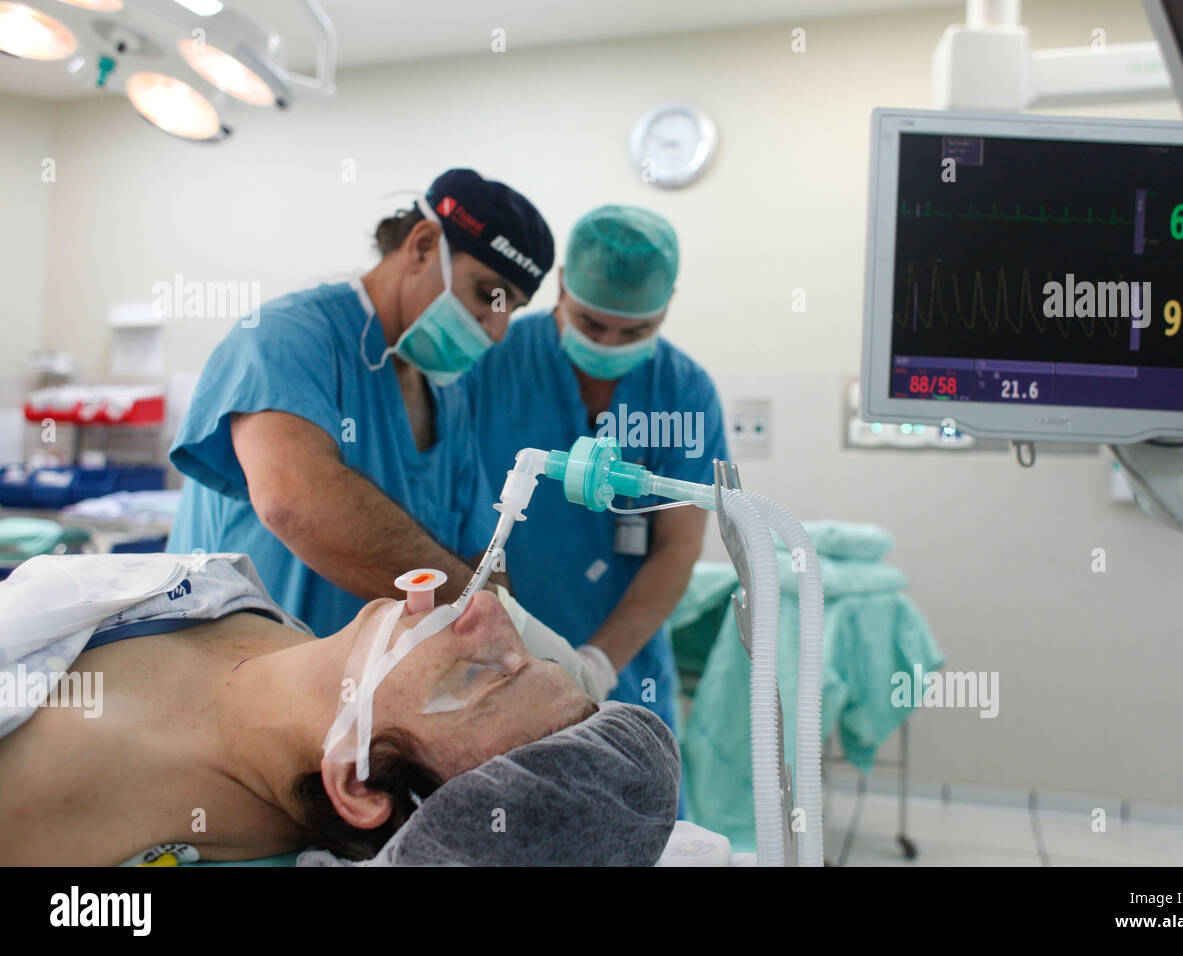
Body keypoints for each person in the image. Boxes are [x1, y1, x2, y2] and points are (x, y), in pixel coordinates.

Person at [0, 551, 597, 865]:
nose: (488, 610)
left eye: (482, 675)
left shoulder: (49, 791)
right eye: (533, 656)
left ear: (358, 784)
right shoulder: (301, 662)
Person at [166, 169, 554, 637]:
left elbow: (478, 555)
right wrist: (487, 619)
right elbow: (294, 501)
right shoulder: (287, 338)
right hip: (234, 667)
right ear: (423, 246)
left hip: (363, 683)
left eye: (512, 308)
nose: (497, 329)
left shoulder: (445, 394)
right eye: (489, 295)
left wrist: (518, 636)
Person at [459, 205, 728, 734]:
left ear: (667, 307)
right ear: (561, 286)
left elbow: (678, 546)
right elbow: (453, 511)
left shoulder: (682, 391)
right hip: (493, 660)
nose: (608, 345)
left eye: (635, 331)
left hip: (624, 673)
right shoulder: (490, 362)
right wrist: (512, 651)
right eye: (591, 324)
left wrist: (596, 666)